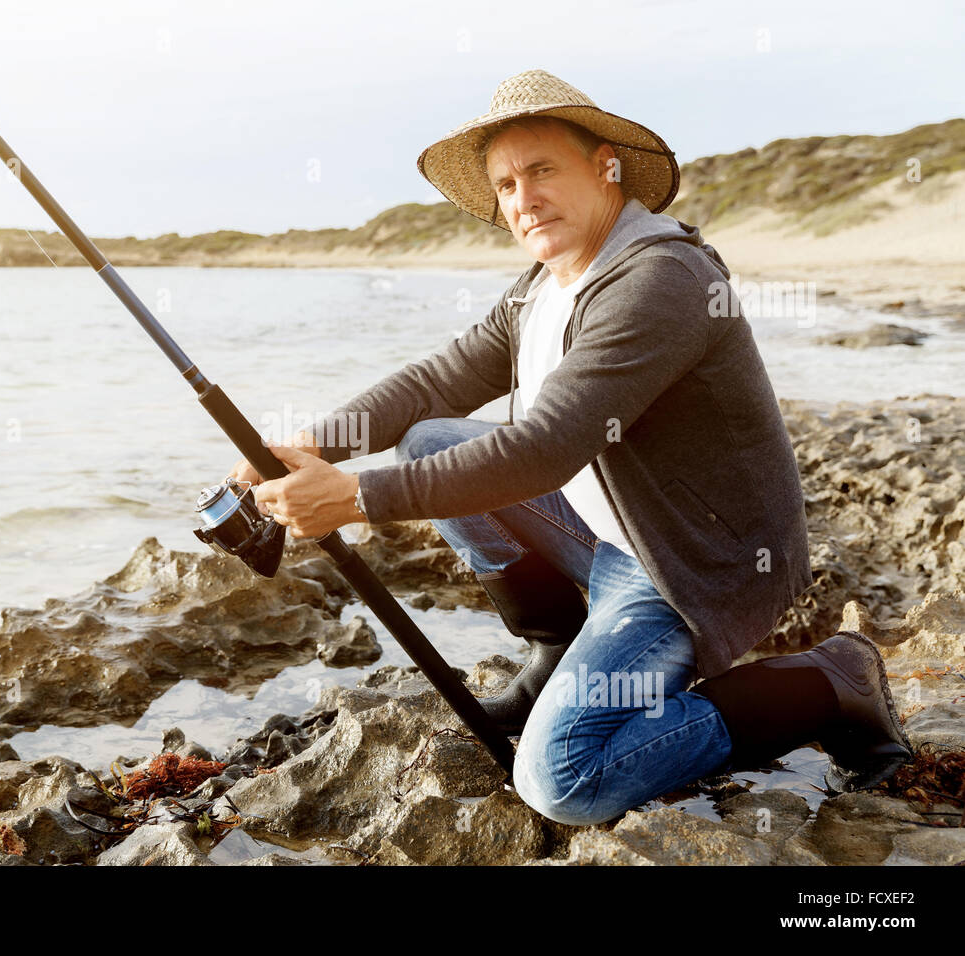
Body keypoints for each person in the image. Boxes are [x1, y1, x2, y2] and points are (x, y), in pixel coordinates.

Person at [227, 70, 911, 825]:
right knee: (428, 439)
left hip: (691, 569)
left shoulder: (660, 279)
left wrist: (357, 499)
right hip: (616, 535)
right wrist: (305, 444)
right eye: (507, 184)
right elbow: (435, 384)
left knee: (561, 780)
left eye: (541, 170)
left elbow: (543, 448)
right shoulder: (543, 285)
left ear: (605, 166)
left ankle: (831, 679)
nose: (523, 199)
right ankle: (554, 652)